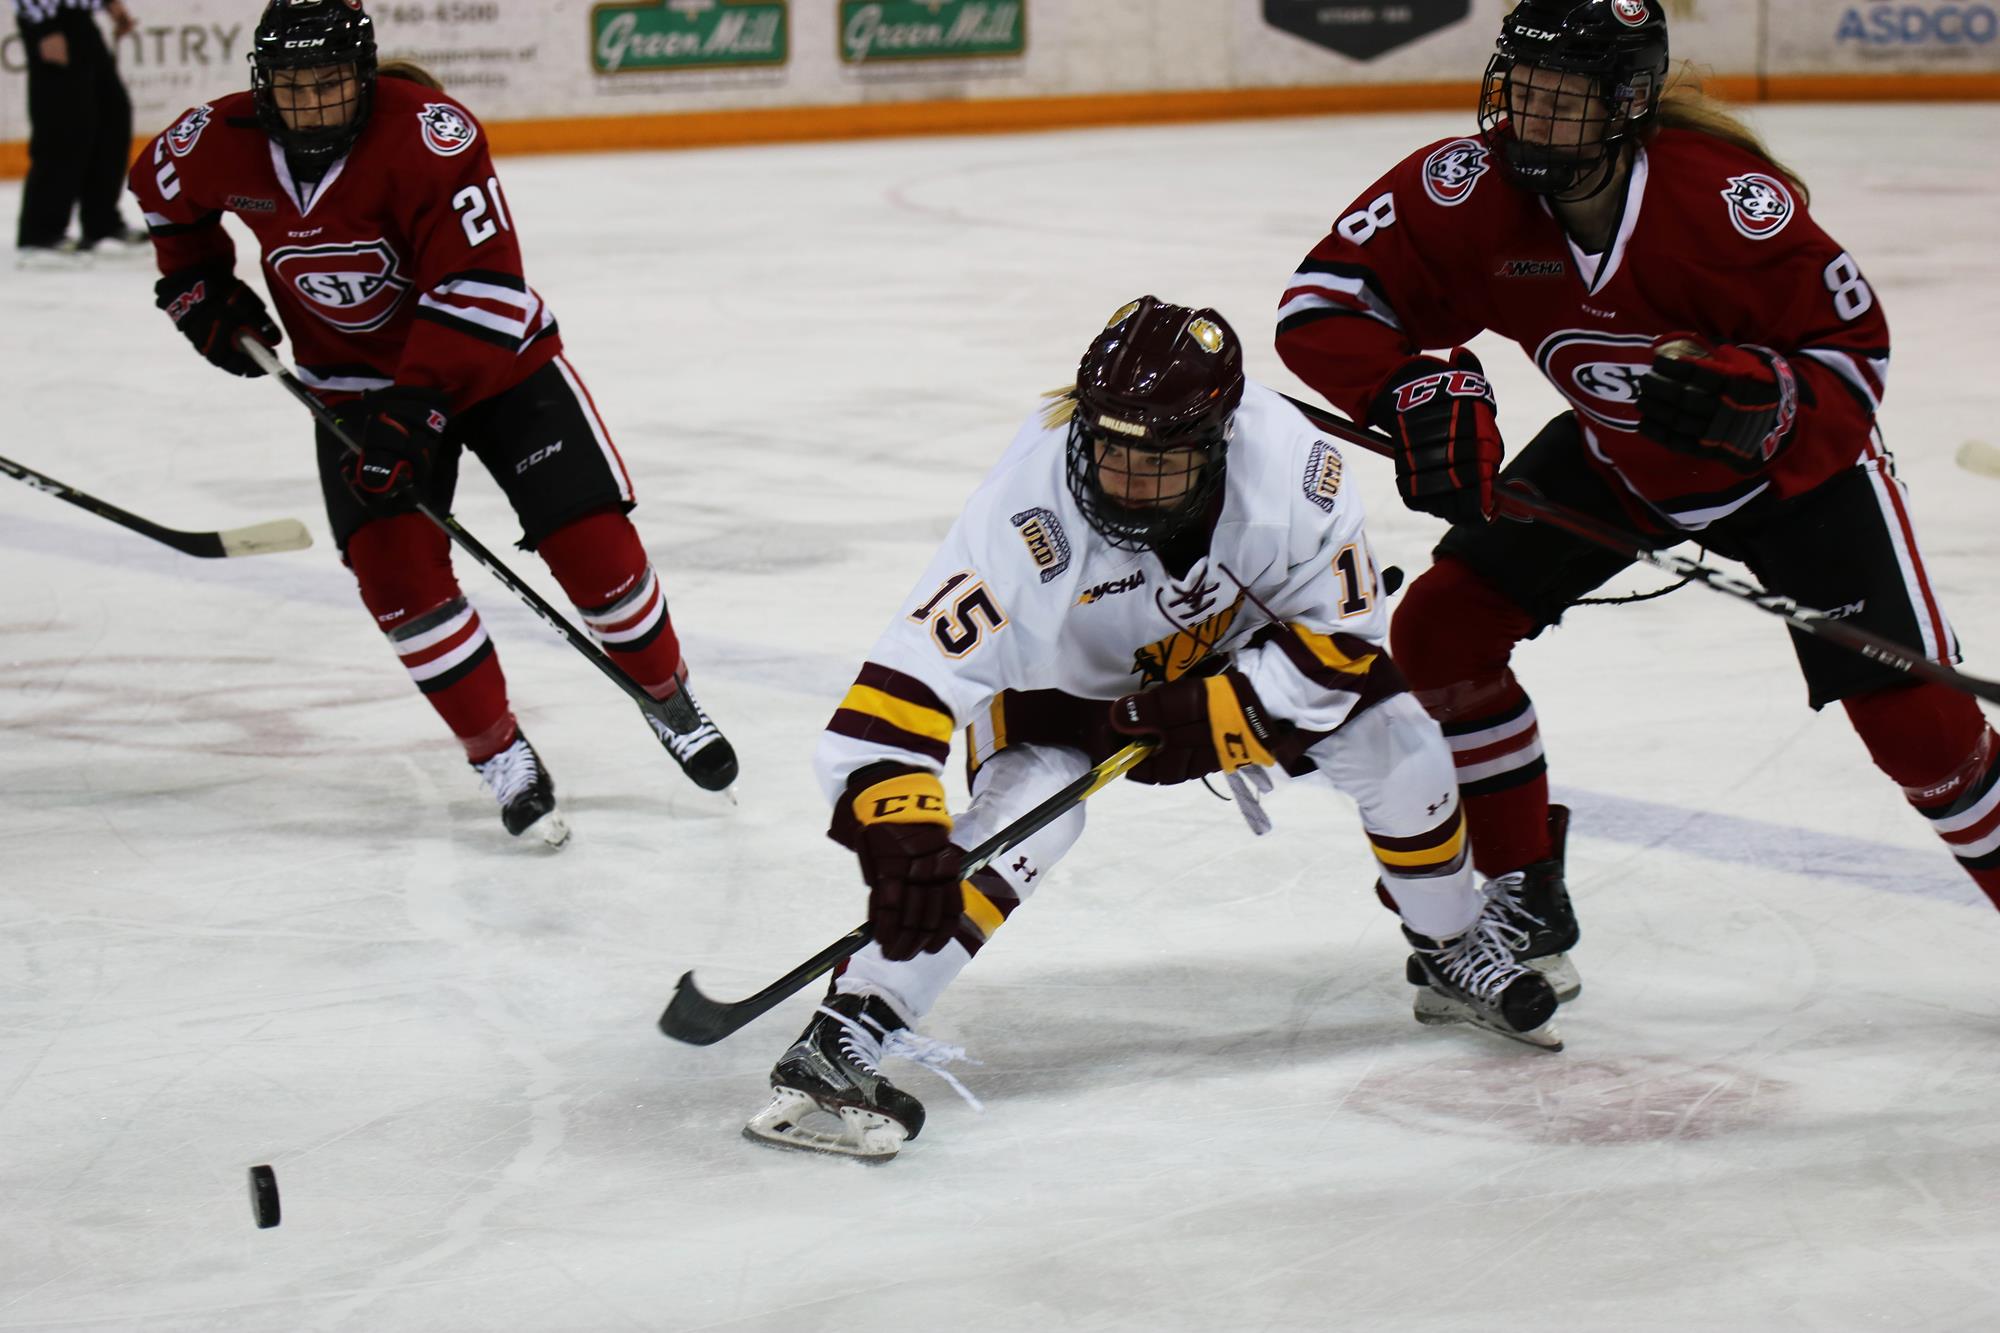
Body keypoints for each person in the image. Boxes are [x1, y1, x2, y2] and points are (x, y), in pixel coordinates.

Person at [745, 296, 1569, 1162]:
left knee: (1398, 742)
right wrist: (898, 824)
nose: (1126, 483)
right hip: (1059, 683)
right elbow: (908, 677)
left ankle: (1448, 943)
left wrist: (1225, 712)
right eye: (1110, 453)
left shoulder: (1295, 470)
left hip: (1229, 661)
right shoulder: (1026, 514)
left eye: (1160, 464)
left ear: (1217, 445)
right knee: (1032, 813)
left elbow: (1345, 641)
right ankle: (853, 1022)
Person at [1275, 0, 2000, 964]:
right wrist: (1406, 389)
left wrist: (1768, 400)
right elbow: (1325, 300)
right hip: (1616, 456)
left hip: (1793, 481)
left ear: (1626, 102)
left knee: (1924, 734)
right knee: (1444, 631)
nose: (1530, 114)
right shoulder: (1463, 191)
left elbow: (1851, 350)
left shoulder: (1727, 206)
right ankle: (1524, 889)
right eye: (1521, 86)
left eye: (1564, 95)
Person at [125, 0, 737, 846]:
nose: (311, 103)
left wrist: (416, 410)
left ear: (364, 77)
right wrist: (199, 288)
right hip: (353, 388)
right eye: (293, 85)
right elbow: (159, 192)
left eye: (330, 83)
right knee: (400, 585)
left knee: (594, 551)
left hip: (497, 367)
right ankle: (498, 751)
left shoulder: (430, 137)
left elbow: (485, 283)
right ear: (262, 86)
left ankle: (666, 694)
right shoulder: (215, 141)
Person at [12, 0, 141, 265]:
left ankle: (101, 223)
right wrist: (45, 27)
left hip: (80, 17)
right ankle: (40, 233)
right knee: (63, 126)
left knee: (112, 117)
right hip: (49, 20)